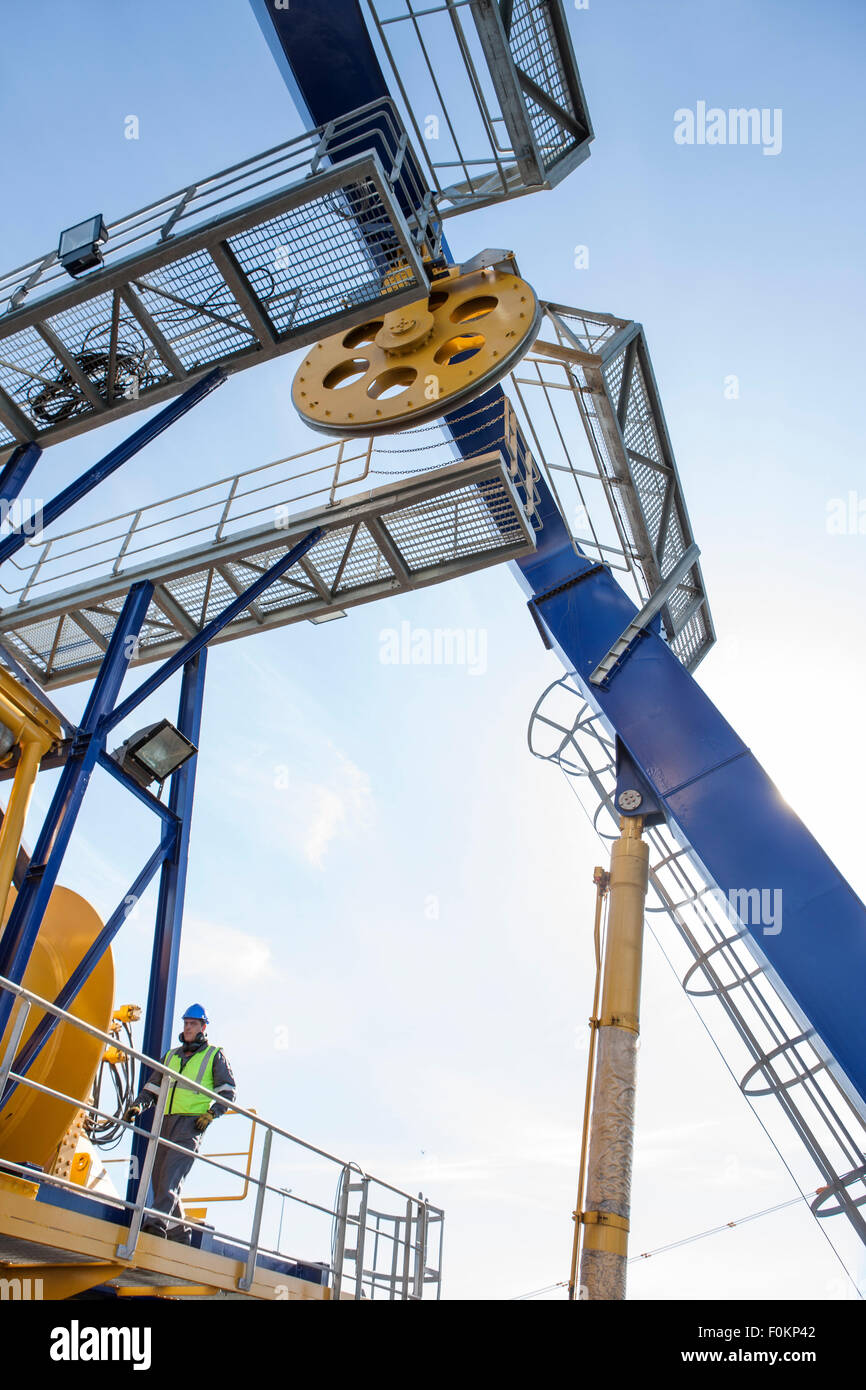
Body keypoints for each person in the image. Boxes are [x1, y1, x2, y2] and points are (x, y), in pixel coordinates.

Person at [125, 1004, 236, 1243]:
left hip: (191, 1125)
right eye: (185, 1023)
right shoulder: (172, 1056)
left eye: (193, 1024)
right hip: (164, 1121)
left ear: (203, 1027)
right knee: (159, 1178)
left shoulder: (214, 1055)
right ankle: (179, 1234)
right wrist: (138, 1105)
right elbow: (153, 1087)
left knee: (171, 1178)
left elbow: (227, 1091)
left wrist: (212, 1114)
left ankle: (155, 1225)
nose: (187, 1028)